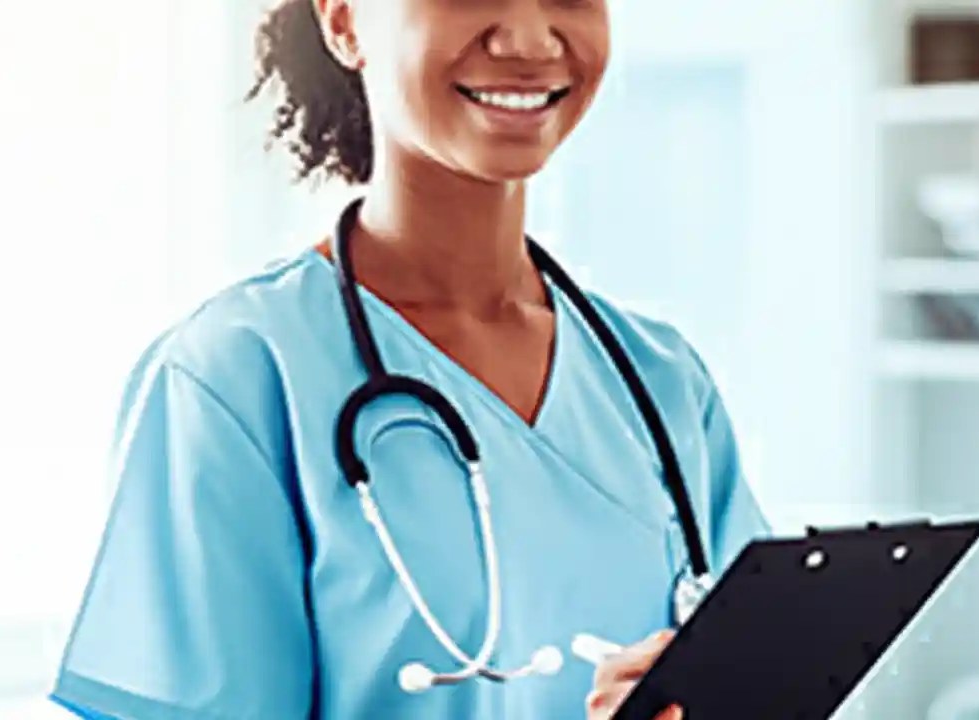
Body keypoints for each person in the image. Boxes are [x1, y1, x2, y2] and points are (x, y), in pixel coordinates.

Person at [49, 0, 770, 717]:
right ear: (343, 21)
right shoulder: (238, 376)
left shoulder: (661, 381)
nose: (527, 36)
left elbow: (760, 685)